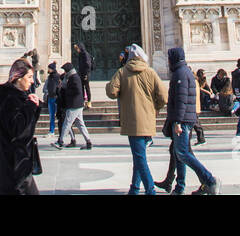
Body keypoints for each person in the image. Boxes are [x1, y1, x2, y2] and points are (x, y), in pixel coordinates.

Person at [156, 46, 220, 195]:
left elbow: (181, 100)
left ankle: (210, 180)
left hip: (182, 120)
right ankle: (179, 187)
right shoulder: (185, 72)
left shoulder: (180, 74)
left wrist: (177, 121)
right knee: (179, 153)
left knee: (183, 152)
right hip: (184, 118)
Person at [106, 44, 167, 195]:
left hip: (132, 121)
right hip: (148, 120)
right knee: (139, 155)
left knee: (139, 157)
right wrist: (155, 109)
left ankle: (150, 189)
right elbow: (164, 96)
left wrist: (110, 86)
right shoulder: (150, 72)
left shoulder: (122, 72)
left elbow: (112, 92)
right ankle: (134, 188)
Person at [0, 58, 42, 194]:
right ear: (18, 78)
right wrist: (30, 106)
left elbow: (26, 126)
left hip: (19, 164)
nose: (32, 81)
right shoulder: (11, 99)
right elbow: (17, 129)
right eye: (29, 77)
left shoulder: (18, 96)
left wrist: (34, 107)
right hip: (16, 165)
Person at [56, 61, 92, 150]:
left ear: (68, 71)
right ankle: (88, 142)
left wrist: (65, 89)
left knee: (67, 123)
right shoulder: (72, 77)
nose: (64, 72)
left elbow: (77, 91)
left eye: (65, 71)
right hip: (77, 104)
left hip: (74, 105)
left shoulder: (74, 78)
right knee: (80, 124)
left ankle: (60, 141)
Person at [42, 61, 62, 138]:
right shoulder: (49, 77)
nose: (48, 70)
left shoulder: (57, 77)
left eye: (49, 68)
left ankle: (62, 131)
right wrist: (46, 92)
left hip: (56, 98)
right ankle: (51, 131)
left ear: (52, 69)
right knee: (51, 115)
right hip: (50, 97)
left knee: (59, 115)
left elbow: (60, 86)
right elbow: (46, 86)